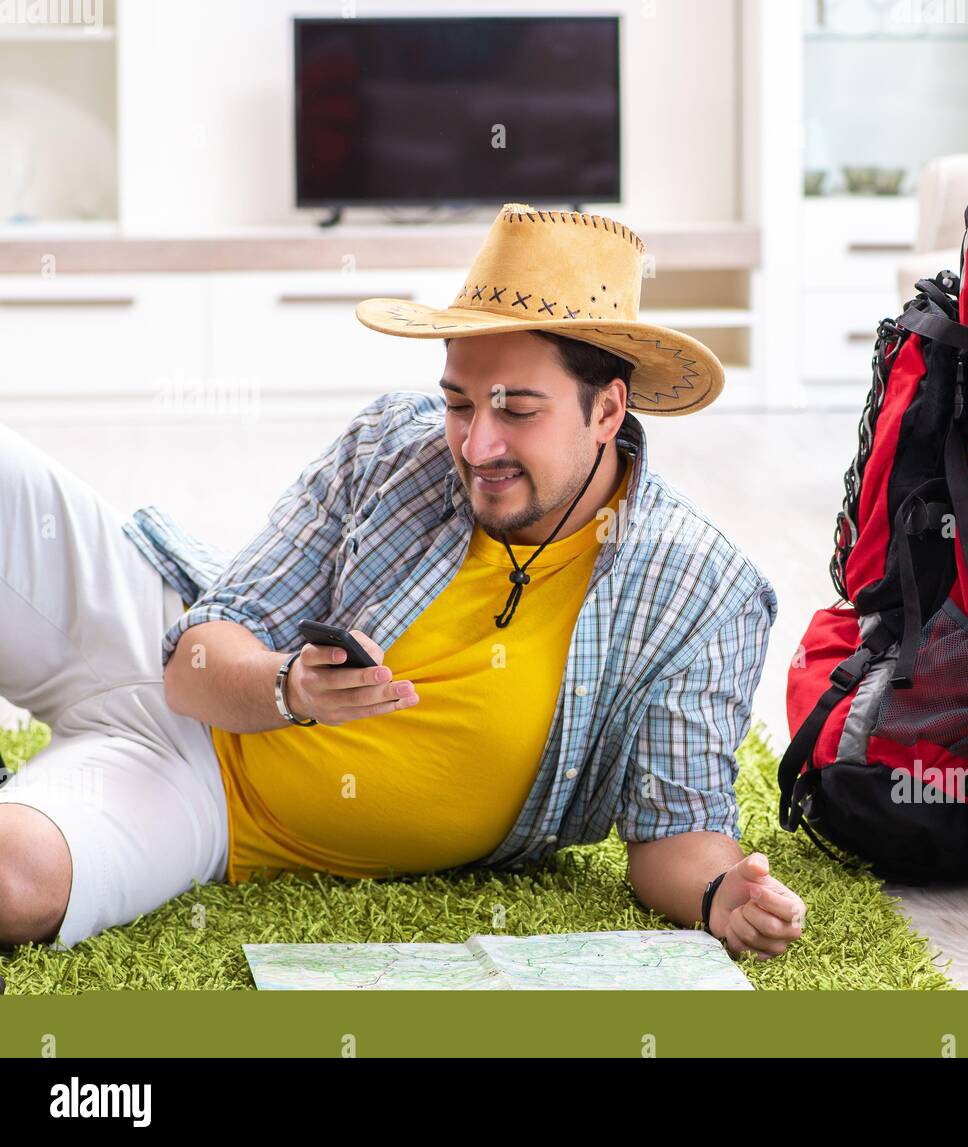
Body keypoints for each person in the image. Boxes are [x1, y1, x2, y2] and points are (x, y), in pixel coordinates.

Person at [0, 203, 807, 964]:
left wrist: (717, 894)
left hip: (198, 789)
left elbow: (676, 832)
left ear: (607, 410)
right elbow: (194, 662)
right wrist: (291, 687)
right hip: (154, 623)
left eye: (517, 410)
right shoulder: (395, 444)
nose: (475, 443)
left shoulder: (702, 593)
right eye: (458, 403)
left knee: (15, 883)